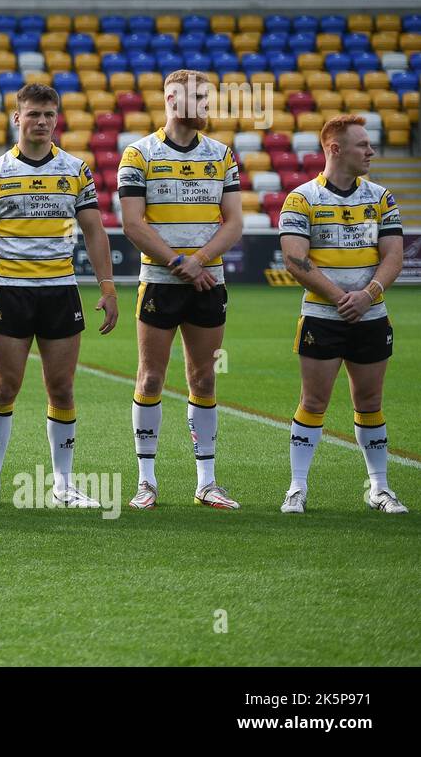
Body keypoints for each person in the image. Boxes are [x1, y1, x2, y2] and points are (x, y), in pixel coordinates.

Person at [0, 84, 119, 508]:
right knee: (4, 386)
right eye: (33, 114)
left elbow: (94, 231)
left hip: (60, 291)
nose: (42, 122)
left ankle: (63, 485)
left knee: (62, 389)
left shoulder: (76, 170)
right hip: (12, 291)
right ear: (17, 119)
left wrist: (107, 286)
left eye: (49, 114)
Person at [117, 69, 244, 510]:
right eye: (199, 97)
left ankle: (206, 481)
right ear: (172, 98)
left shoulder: (221, 155)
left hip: (208, 280)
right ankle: (146, 482)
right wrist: (178, 263)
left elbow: (234, 222)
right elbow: (133, 224)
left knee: (204, 376)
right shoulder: (139, 154)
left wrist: (198, 260)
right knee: (151, 375)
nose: (207, 105)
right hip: (160, 281)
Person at [278, 115, 406, 514]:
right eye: (362, 145)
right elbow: (295, 260)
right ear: (334, 149)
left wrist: (368, 295)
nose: (370, 152)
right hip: (321, 316)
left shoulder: (381, 198)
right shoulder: (301, 199)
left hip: (371, 316)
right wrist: (340, 297)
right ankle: (297, 487)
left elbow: (394, 256)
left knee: (370, 401)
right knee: (313, 401)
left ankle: (379, 488)